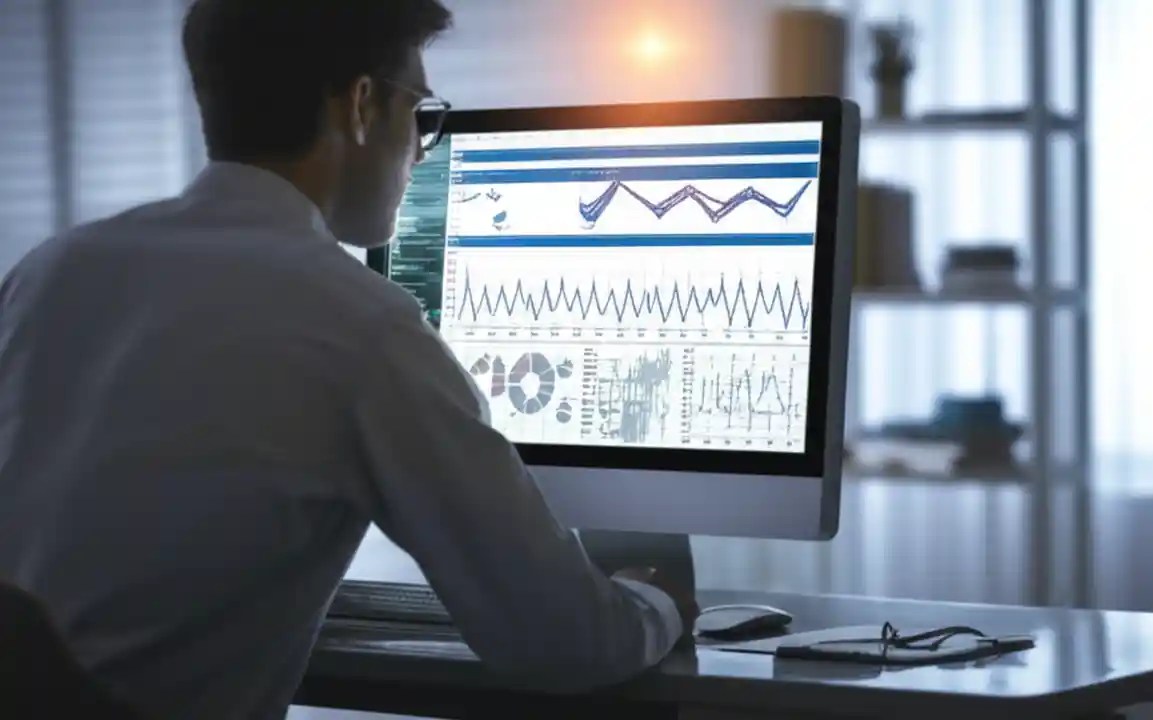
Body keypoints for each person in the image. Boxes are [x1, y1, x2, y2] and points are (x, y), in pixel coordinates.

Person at [0, 2, 690, 718]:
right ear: (361, 105)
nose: (421, 150)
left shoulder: (50, 271)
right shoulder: (361, 325)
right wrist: (655, 599)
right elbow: (566, 643)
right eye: (419, 114)